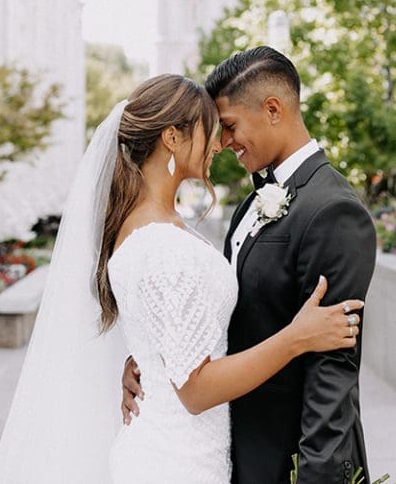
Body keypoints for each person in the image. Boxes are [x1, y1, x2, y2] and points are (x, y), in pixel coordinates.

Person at [0, 73, 364, 484]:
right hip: (179, 462)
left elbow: (173, 331)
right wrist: (297, 337)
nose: (219, 144)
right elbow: (196, 390)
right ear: (171, 137)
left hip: (174, 448)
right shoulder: (165, 246)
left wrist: (150, 359)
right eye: (210, 130)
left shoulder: (145, 225)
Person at [123, 48, 377, 484]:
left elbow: (333, 369)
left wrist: (317, 476)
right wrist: (157, 356)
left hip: (286, 456)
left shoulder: (334, 210)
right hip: (230, 447)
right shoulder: (250, 204)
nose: (222, 143)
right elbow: (219, 319)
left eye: (229, 126)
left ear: (273, 109)